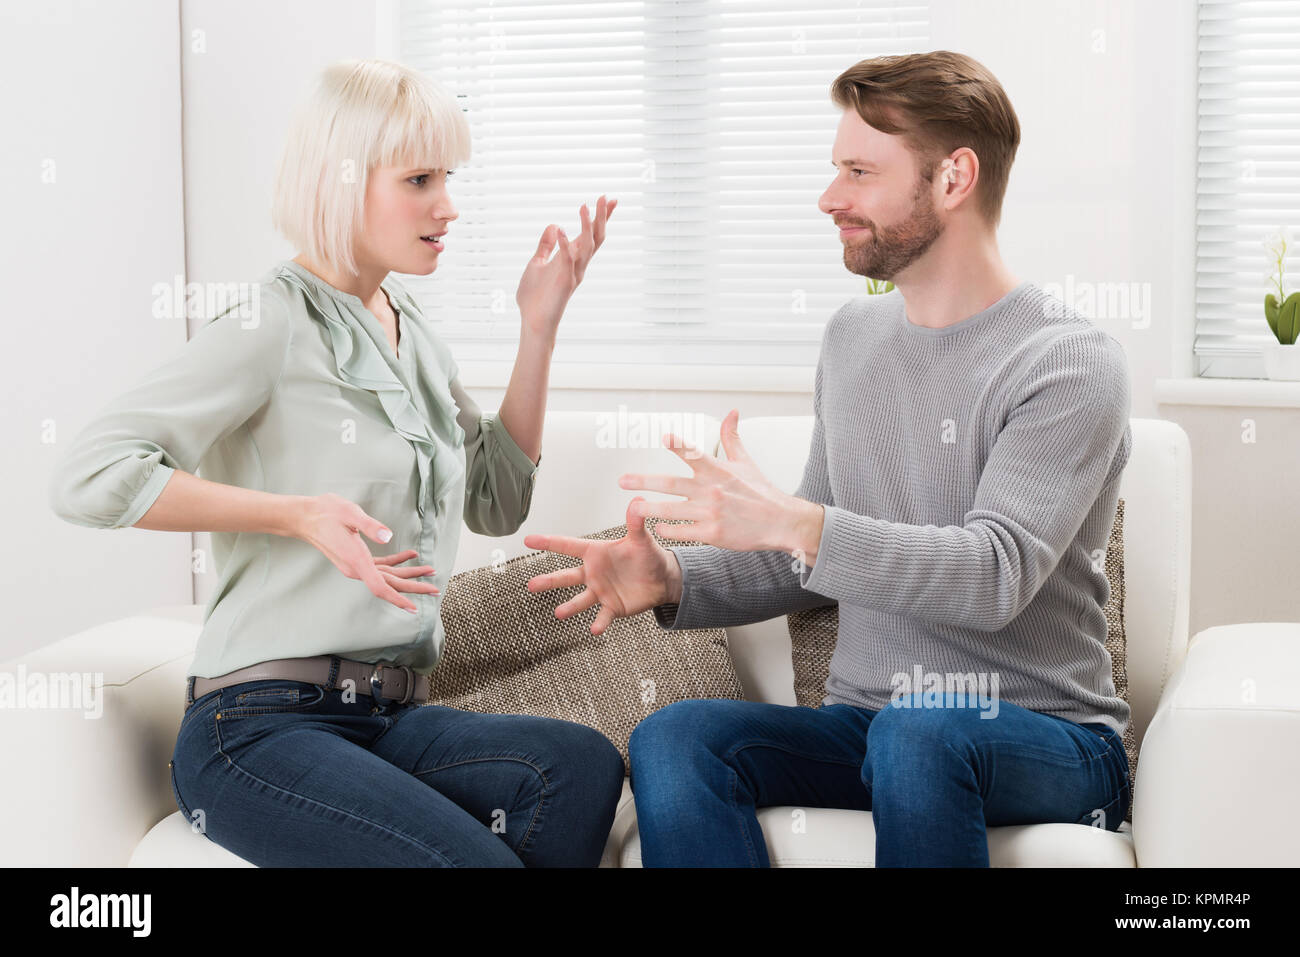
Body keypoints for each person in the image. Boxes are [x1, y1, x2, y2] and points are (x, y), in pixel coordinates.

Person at [524, 50, 1132, 867]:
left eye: (858, 171)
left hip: (1045, 734)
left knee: (921, 735)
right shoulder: (853, 340)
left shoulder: (1066, 361)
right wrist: (675, 577)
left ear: (954, 178)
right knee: (678, 735)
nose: (830, 197)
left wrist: (802, 522)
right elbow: (812, 561)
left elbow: (994, 575)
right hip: (872, 727)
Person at [48, 58, 624, 867]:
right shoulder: (269, 321)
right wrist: (293, 512)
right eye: (419, 179)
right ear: (341, 182)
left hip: (388, 718)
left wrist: (540, 329)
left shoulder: (410, 330)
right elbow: (89, 473)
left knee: (577, 764)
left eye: (448, 177)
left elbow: (496, 501)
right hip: (256, 726)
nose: (448, 205)